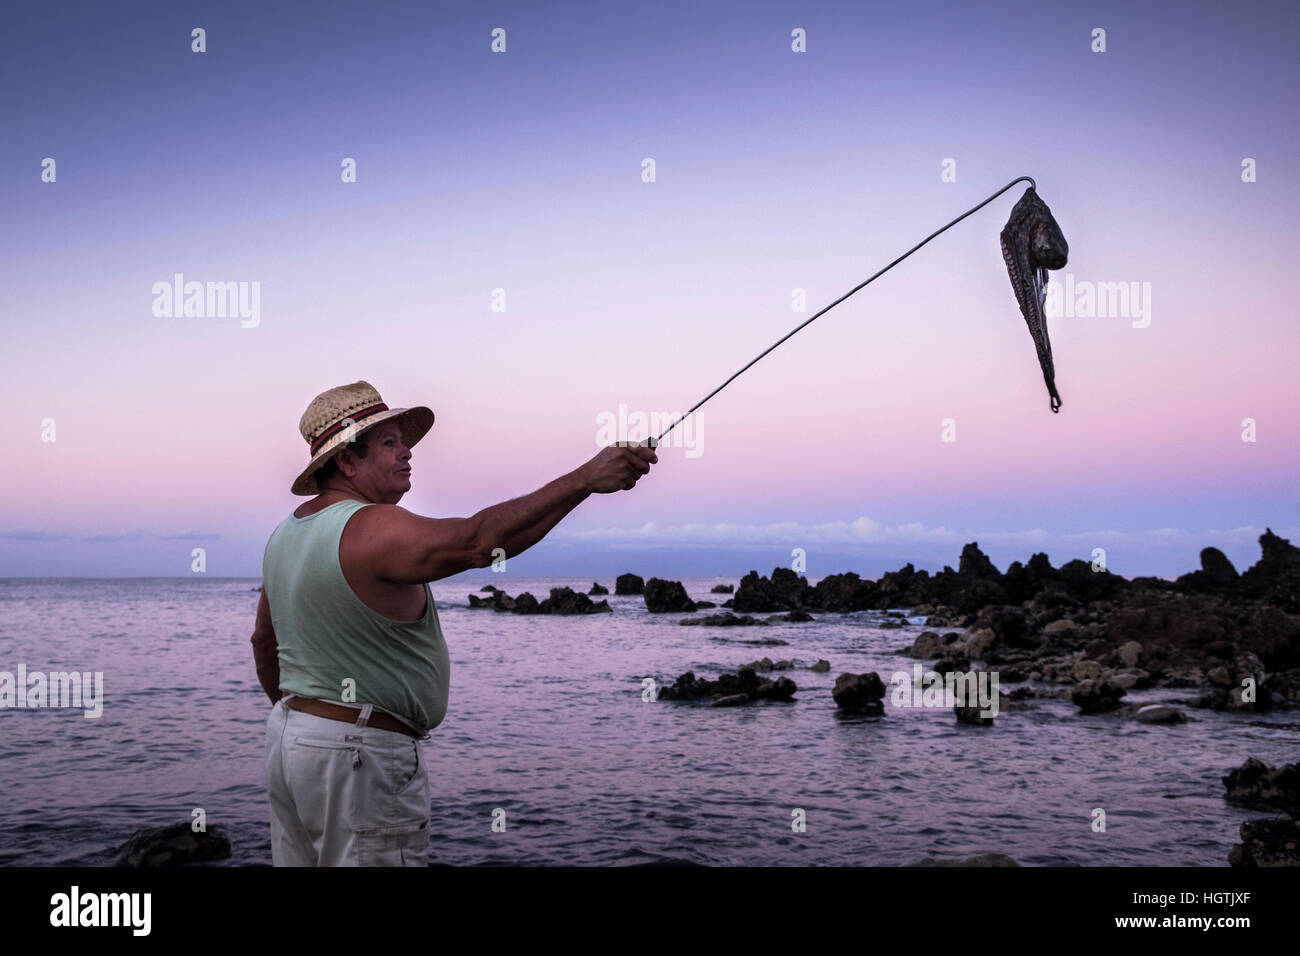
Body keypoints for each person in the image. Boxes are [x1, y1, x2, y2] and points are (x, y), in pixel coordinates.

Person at [250, 380, 657, 865]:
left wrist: (311, 724)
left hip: (291, 742)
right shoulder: (371, 526)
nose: (408, 453)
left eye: (404, 441)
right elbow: (478, 543)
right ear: (347, 461)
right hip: (359, 755)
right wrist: (584, 479)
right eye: (389, 443)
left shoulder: (285, 535)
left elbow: (263, 641)